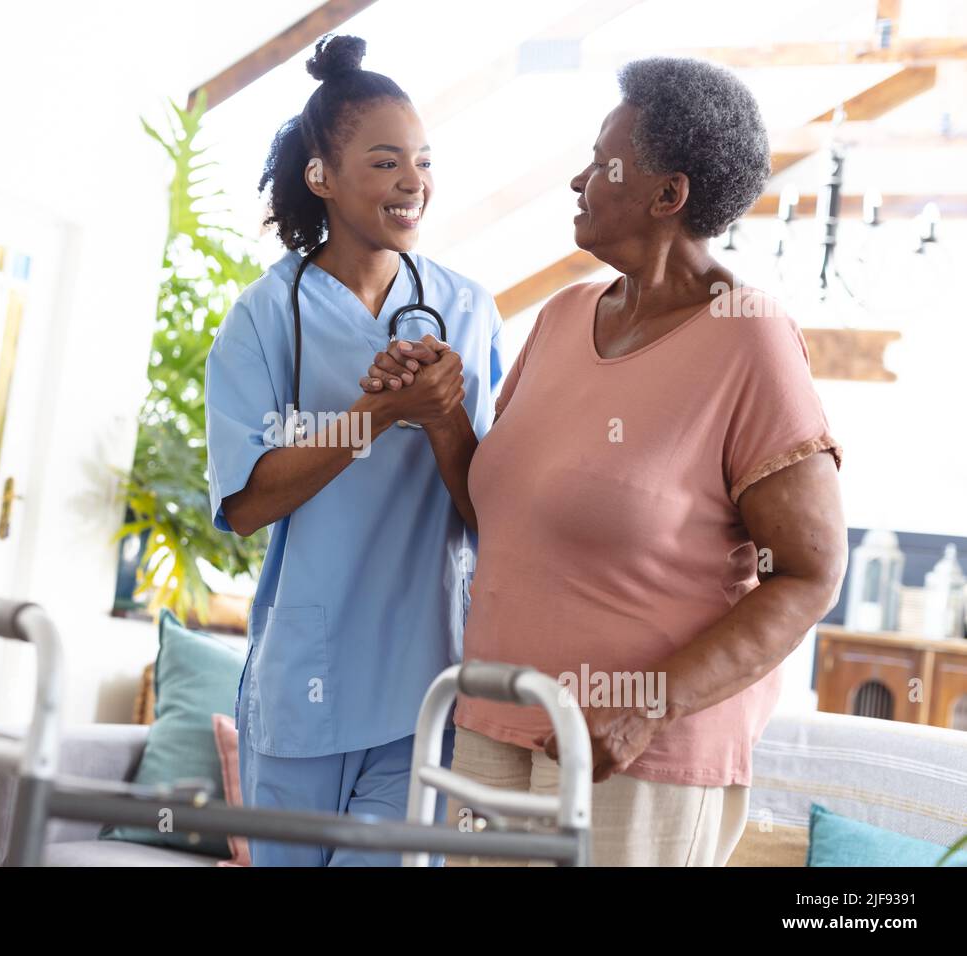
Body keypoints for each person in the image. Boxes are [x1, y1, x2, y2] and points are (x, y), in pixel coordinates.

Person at [360, 56, 848, 866]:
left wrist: (650, 705)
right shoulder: (562, 316)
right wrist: (442, 414)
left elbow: (809, 572)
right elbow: (504, 522)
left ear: (669, 195)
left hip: (631, 756)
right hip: (493, 720)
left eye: (604, 162)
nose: (580, 179)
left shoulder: (749, 337)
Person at [204, 34, 504, 865]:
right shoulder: (262, 318)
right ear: (321, 178)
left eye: (423, 161)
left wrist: (444, 417)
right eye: (385, 162)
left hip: (425, 684)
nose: (414, 181)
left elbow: (497, 513)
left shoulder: (468, 312)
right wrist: (373, 414)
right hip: (305, 678)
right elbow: (246, 501)